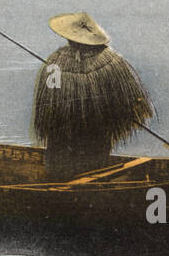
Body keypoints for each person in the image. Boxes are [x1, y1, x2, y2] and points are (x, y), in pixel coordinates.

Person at [33, 12, 154, 181]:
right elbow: (133, 105)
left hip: (61, 142)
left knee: (60, 171)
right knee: (93, 169)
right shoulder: (112, 61)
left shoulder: (55, 60)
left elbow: (47, 109)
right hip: (95, 141)